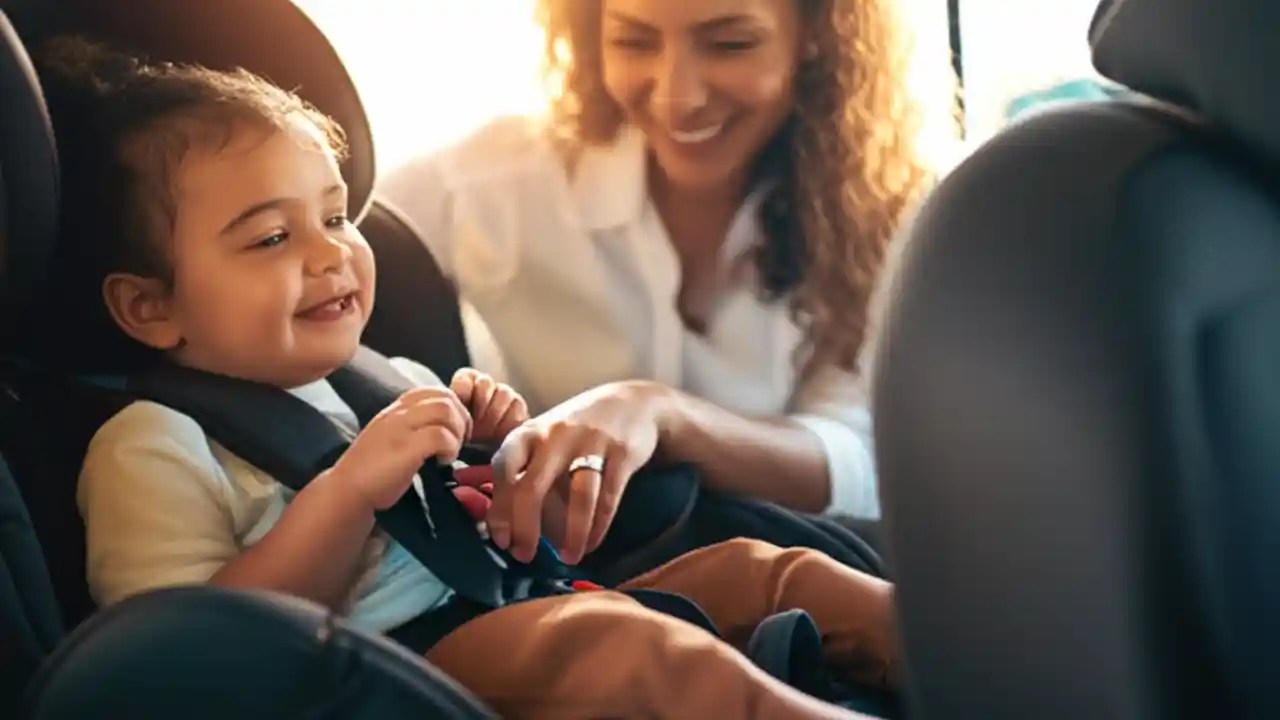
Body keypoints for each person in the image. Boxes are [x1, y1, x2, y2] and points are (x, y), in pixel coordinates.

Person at [40, 38, 899, 719]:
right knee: (628, 654)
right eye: (271, 238)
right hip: (399, 677)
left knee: (766, 569)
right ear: (152, 308)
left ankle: (984, 665)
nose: (332, 251)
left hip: (528, 605)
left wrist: (520, 479)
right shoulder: (150, 445)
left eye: (336, 215)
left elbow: (512, 556)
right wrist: (350, 493)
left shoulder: (391, 380)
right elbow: (192, 663)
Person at [379, 0, 933, 565]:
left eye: (729, 45)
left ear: (818, 33)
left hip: (780, 572)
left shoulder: (887, 215)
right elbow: (329, 237)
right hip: (547, 576)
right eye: (634, 43)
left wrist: (661, 414)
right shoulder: (493, 183)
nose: (678, 97)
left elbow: (858, 463)